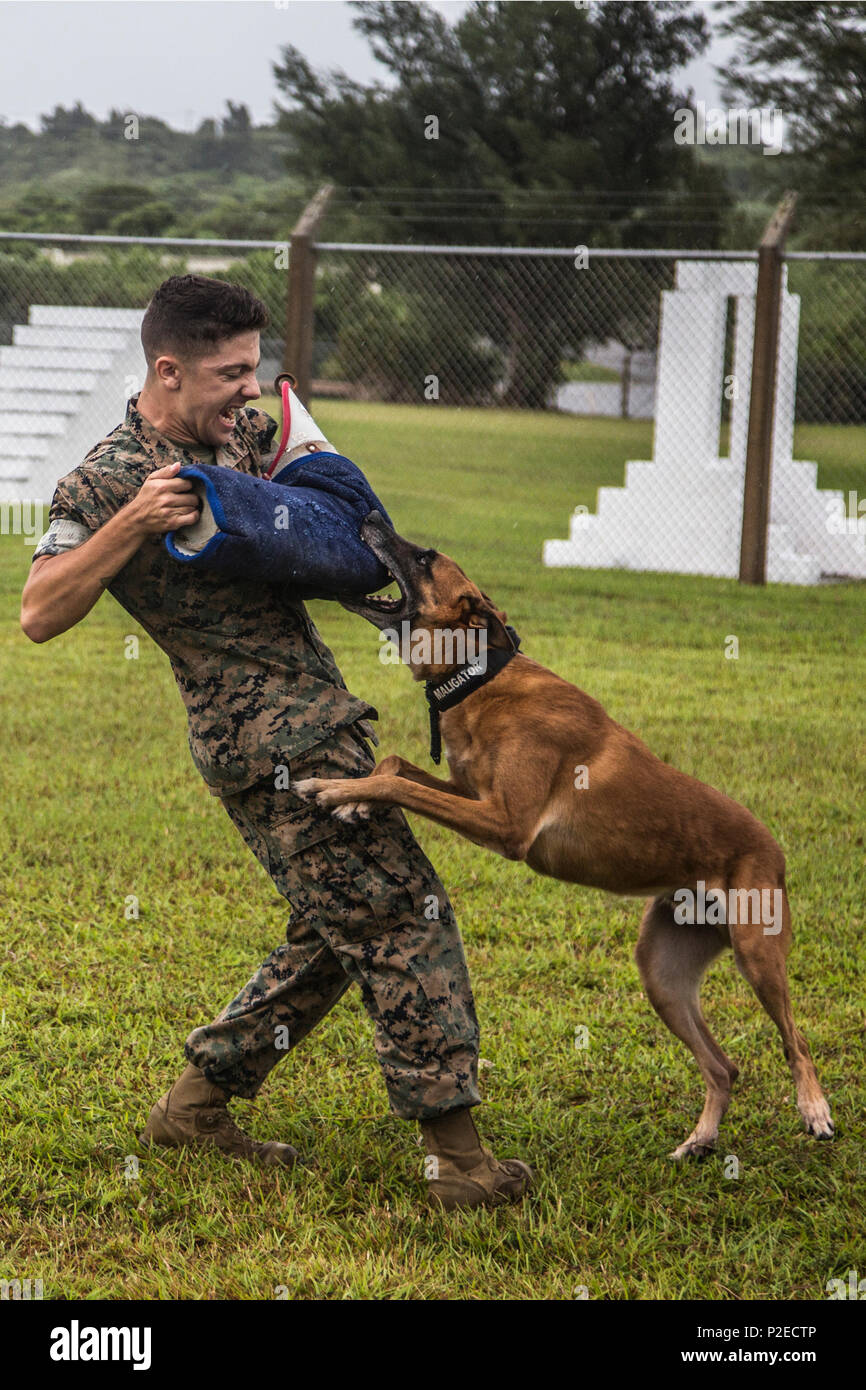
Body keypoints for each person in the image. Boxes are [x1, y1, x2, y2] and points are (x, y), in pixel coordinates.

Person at [20, 274, 531, 1212]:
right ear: (167, 371)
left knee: (334, 926)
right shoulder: (99, 480)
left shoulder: (246, 436)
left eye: (254, 368)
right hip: (265, 747)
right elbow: (39, 613)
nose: (250, 389)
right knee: (397, 912)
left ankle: (195, 1105)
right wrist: (134, 521)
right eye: (231, 373)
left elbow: (328, 515)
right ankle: (461, 1165)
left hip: (324, 718)